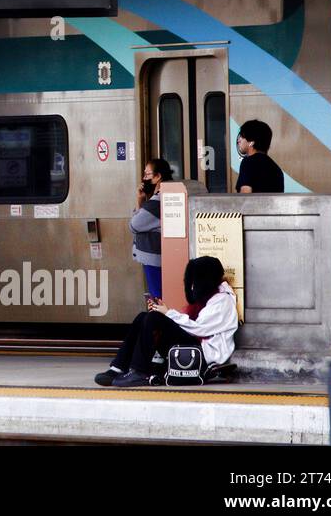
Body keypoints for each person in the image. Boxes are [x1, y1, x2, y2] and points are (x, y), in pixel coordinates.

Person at [95, 256, 239, 387]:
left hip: (203, 352)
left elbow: (199, 329)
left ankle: (140, 372)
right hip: (195, 343)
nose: (192, 287)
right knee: (143, 317)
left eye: (195, 282)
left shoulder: (222, 301)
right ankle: (118, 367)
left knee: (153, 318)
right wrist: (163, 312)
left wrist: (167, 313)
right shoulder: (210, 298)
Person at [131, 158, 172, 300]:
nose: (144, 179)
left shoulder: (157, 201)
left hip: (154, 257)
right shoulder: (166, 195)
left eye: (147, 175)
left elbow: (134, 224)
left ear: (158, 176)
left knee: (157, 296)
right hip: (162, 255)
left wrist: (140, 201)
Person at [236, 119, 284, 193]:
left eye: (242, 136)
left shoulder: (248, 162)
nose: (238, 140)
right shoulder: (277, 169)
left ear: (251, 142)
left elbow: (245, 197)